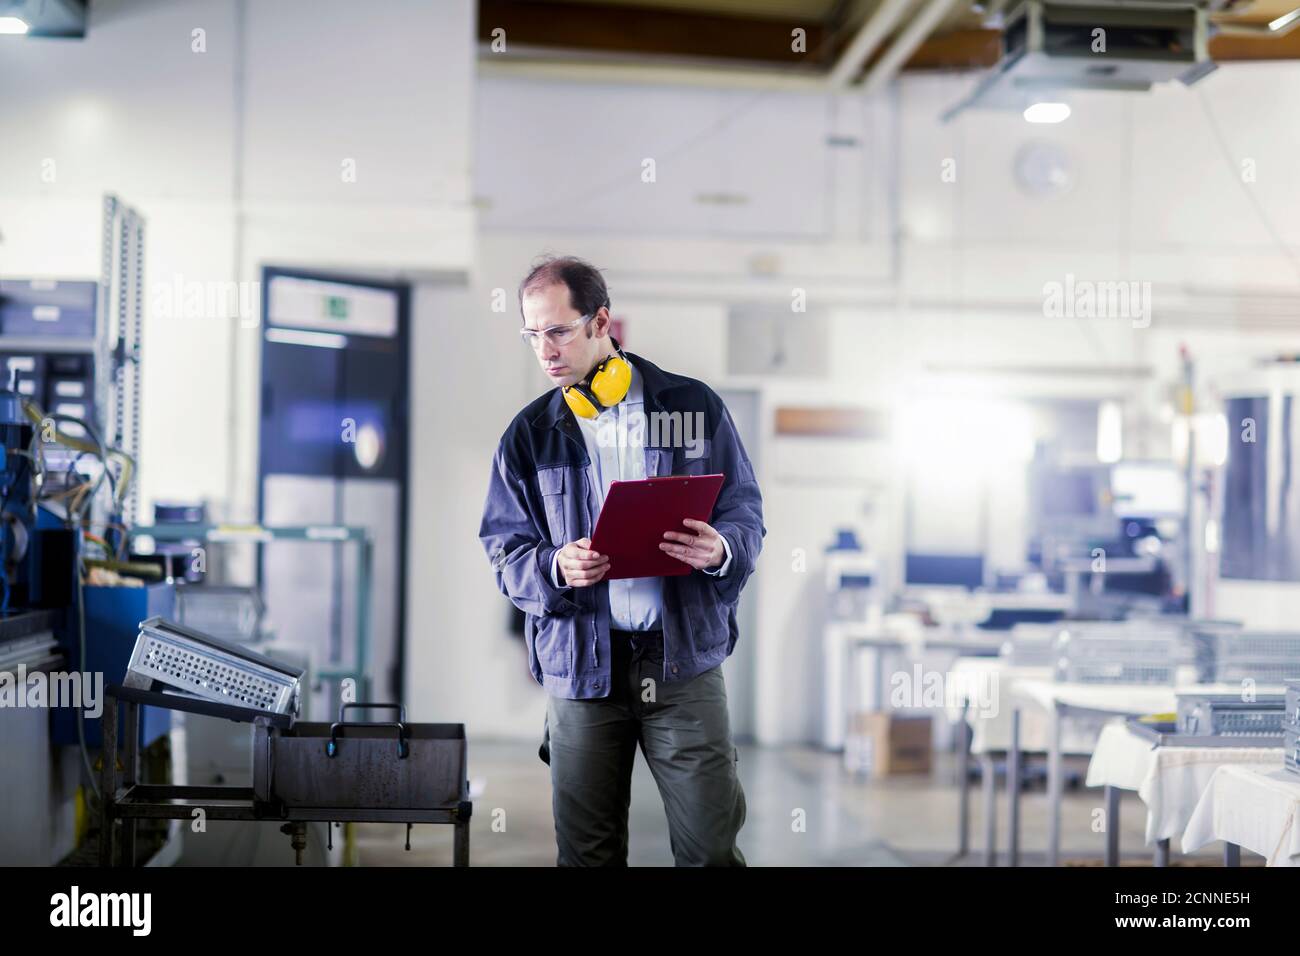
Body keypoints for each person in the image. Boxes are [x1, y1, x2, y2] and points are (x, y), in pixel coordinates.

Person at [479, 255, 765, 866]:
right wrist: (556, 566)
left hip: (681, 660)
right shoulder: (530, 435)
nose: (545, 350)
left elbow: (745, 512)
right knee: (588, 856)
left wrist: (722, 548)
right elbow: (504, 551)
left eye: (557, 331)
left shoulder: (691, 407)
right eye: (532, 335)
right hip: (583, 666)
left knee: (711, 850)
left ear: (600, 320)